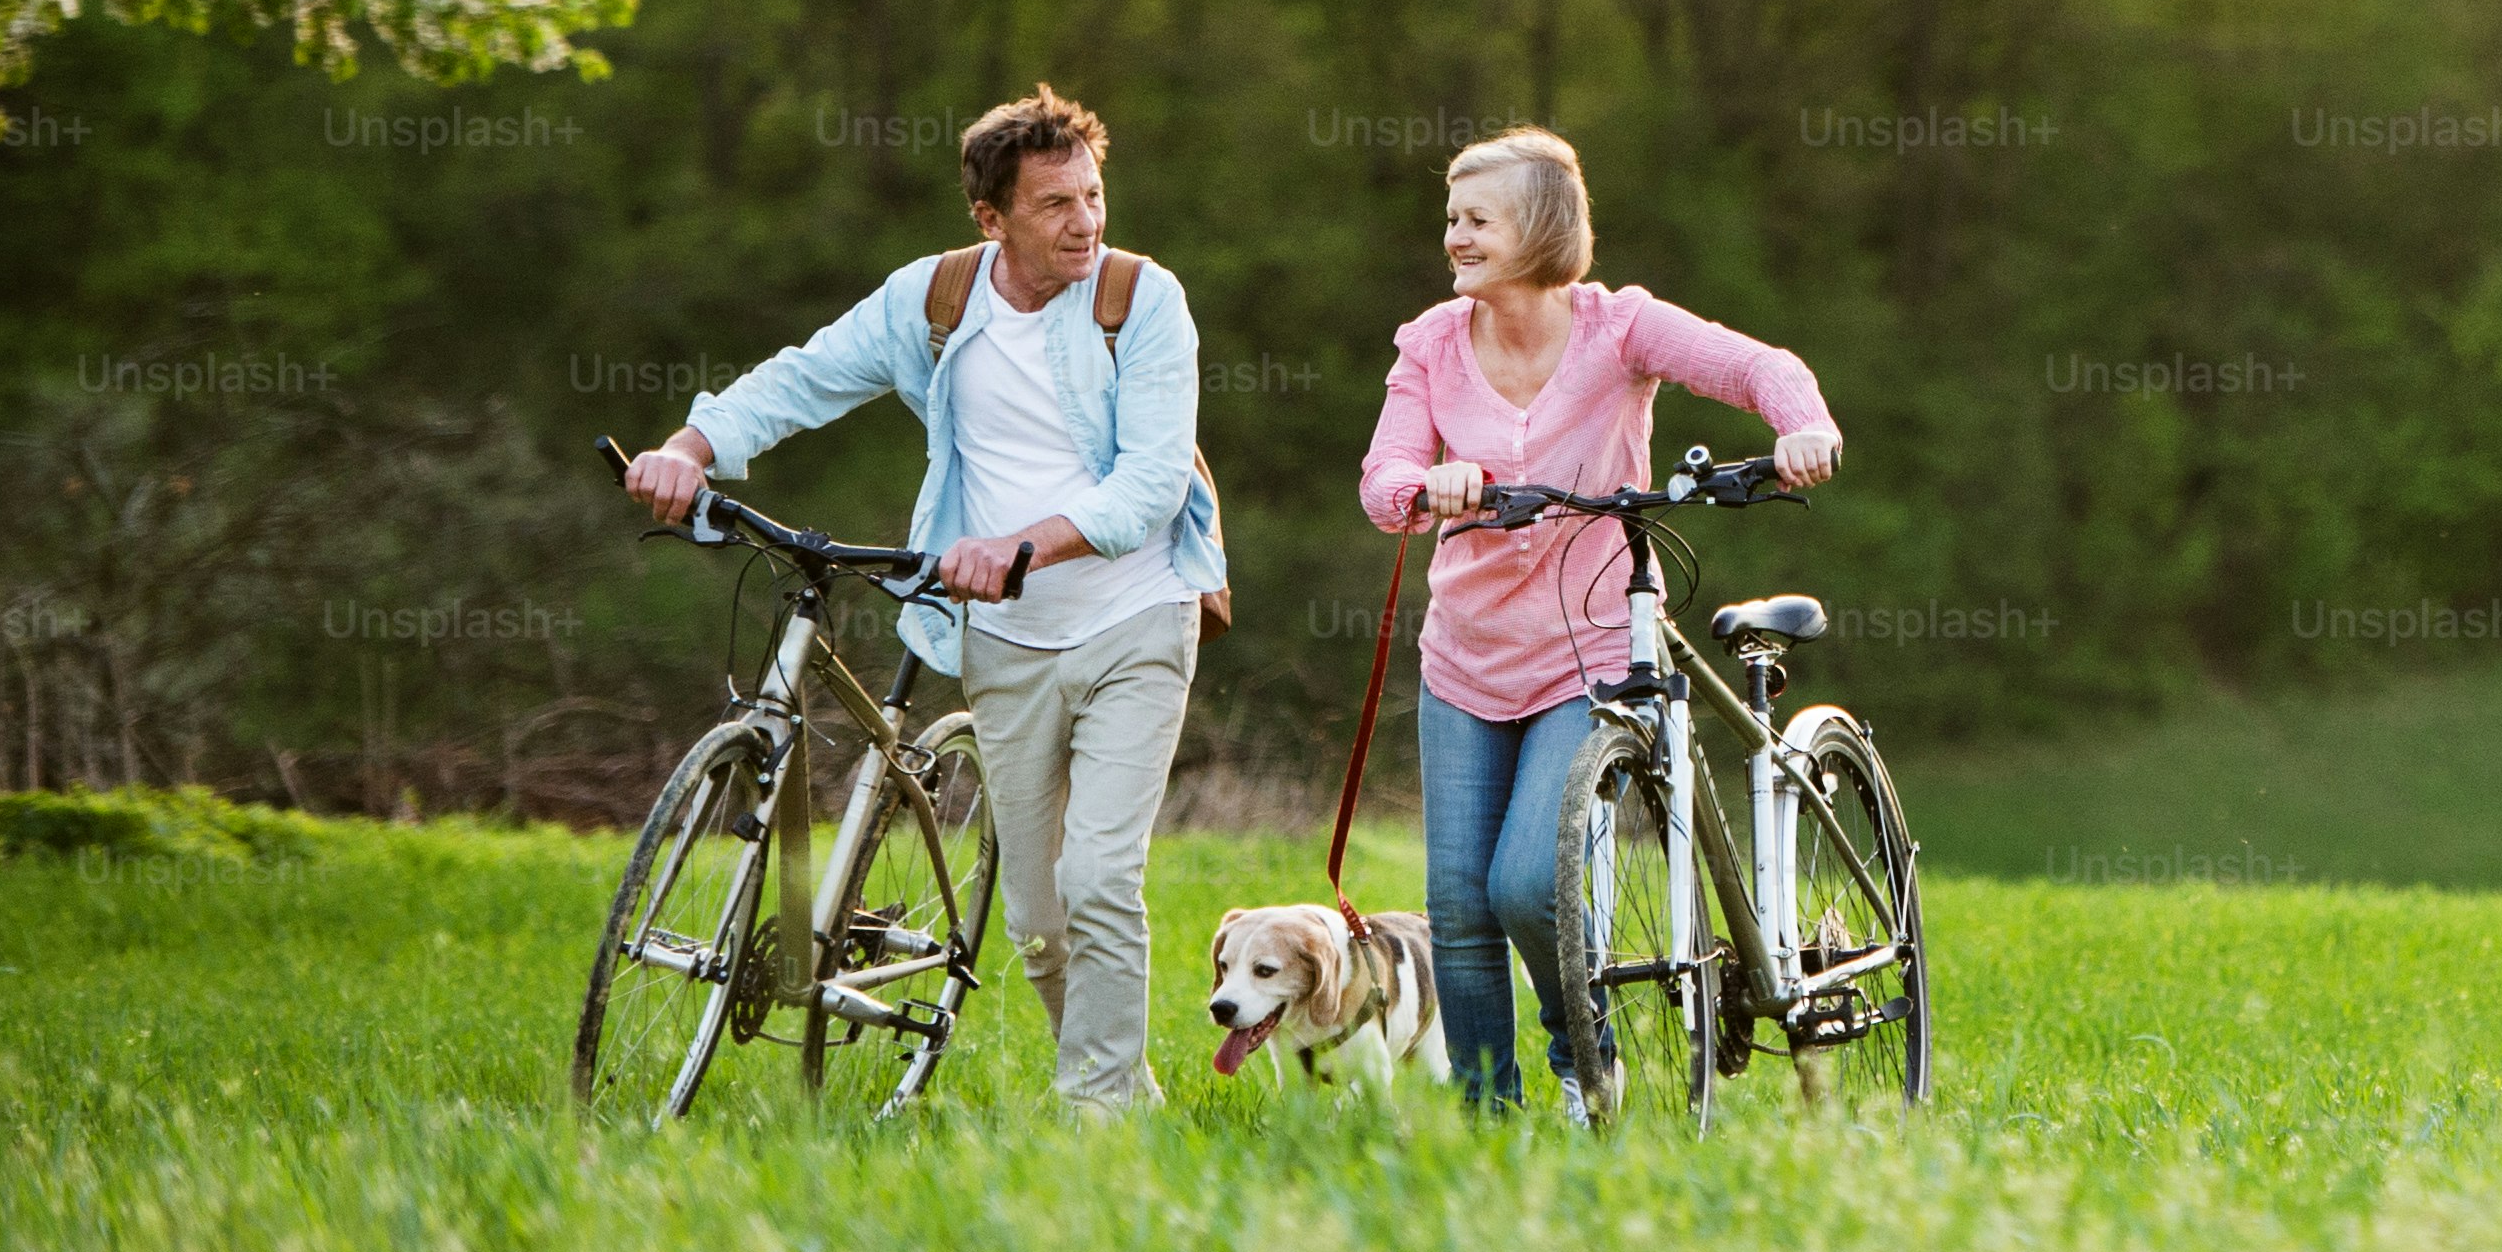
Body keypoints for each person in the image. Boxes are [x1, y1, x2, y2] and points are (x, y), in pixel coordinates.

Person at [623, 85, 1224, 1113]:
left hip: (1136, 614)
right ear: (992, 219)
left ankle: (1100, 1117)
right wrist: (692, 445)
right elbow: (804, 378)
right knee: (1037, 915)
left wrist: (1018, 544)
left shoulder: (1141, 298)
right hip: (1004, 637)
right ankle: (1125, 1087)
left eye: (1093, 195)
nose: (1085, 221)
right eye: (1055, 205)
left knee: (1097, 881)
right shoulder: (937, 300)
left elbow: (1150, 485)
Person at [1356, 127, 1839, 1114]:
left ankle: (1585, 1065)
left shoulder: (1621, 328)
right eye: (1450, 217)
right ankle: (1490, 1119)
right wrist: (1428, 483)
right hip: (1465, 657)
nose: (1452, 235)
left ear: (1538, 228)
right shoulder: (1431, 343)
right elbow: (1383, 480)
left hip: (1586, 649)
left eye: (1475, 218)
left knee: (1527, 883)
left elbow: (1757, 366)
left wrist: (1802, 425)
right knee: (1456, 906)